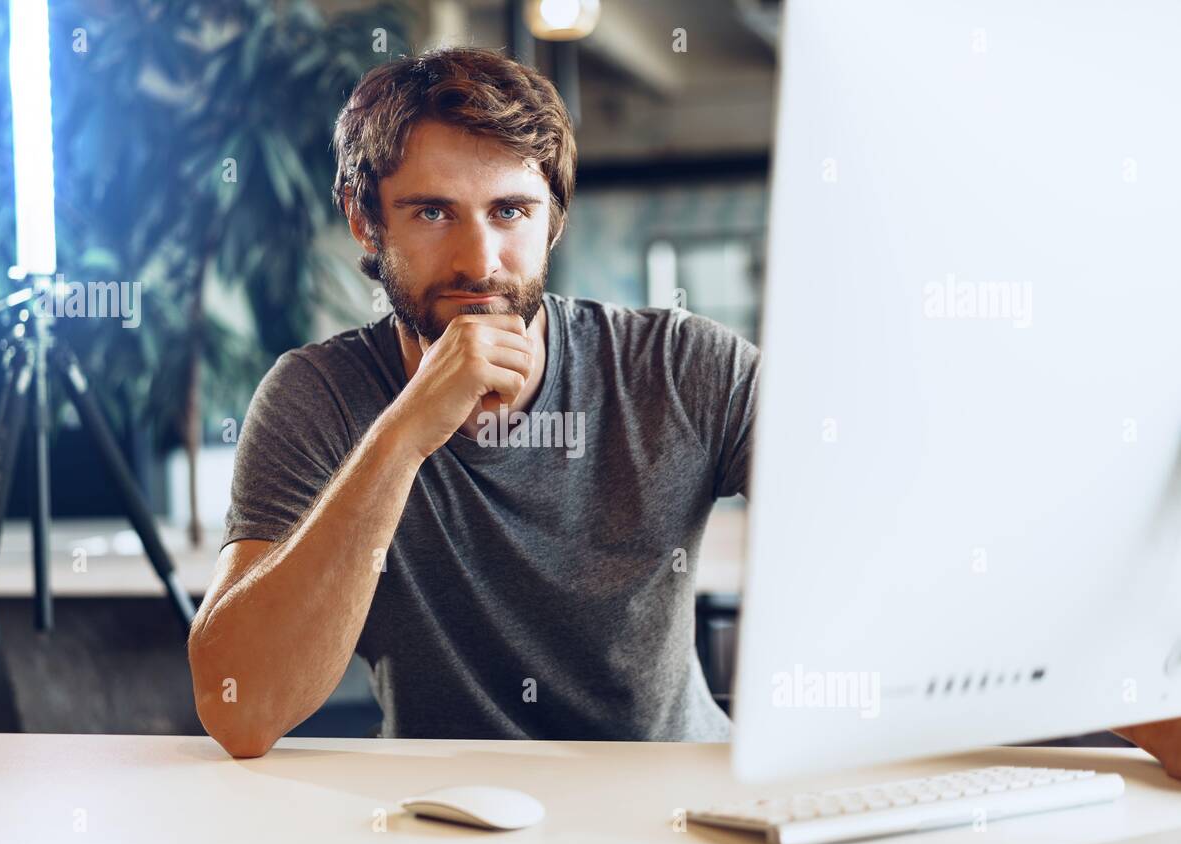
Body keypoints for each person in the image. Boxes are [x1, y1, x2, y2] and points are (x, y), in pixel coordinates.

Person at [186, 47, 1181, 777]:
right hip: (439, 816)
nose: (482, 260)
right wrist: (404, 432)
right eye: (433, 211)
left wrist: (1146, 703)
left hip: (677, 807)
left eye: (511, 212)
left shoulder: (684, 366)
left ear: (554, 219)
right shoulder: (316, 398)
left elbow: (911, 539)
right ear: (368, 219)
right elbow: (239, 708)